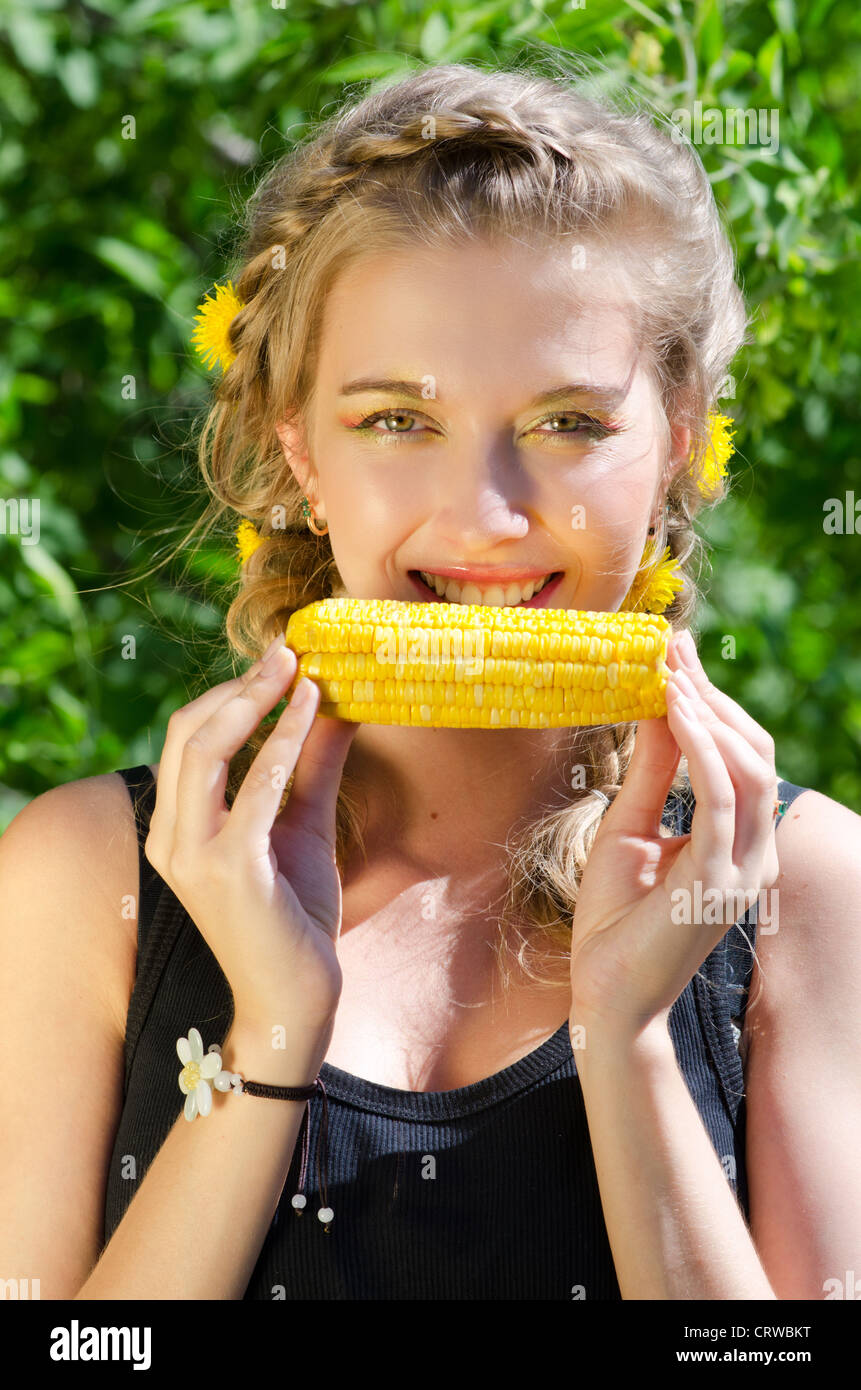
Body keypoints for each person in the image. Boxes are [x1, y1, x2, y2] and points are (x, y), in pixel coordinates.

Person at [2, 60, 859, 1302]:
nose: (489, 515)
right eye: (398, 420)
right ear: (299, 449)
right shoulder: (85, 878)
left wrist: (627, 1045)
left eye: (569, 420)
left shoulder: (807, 892)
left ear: (677, 438)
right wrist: (273, 1038)